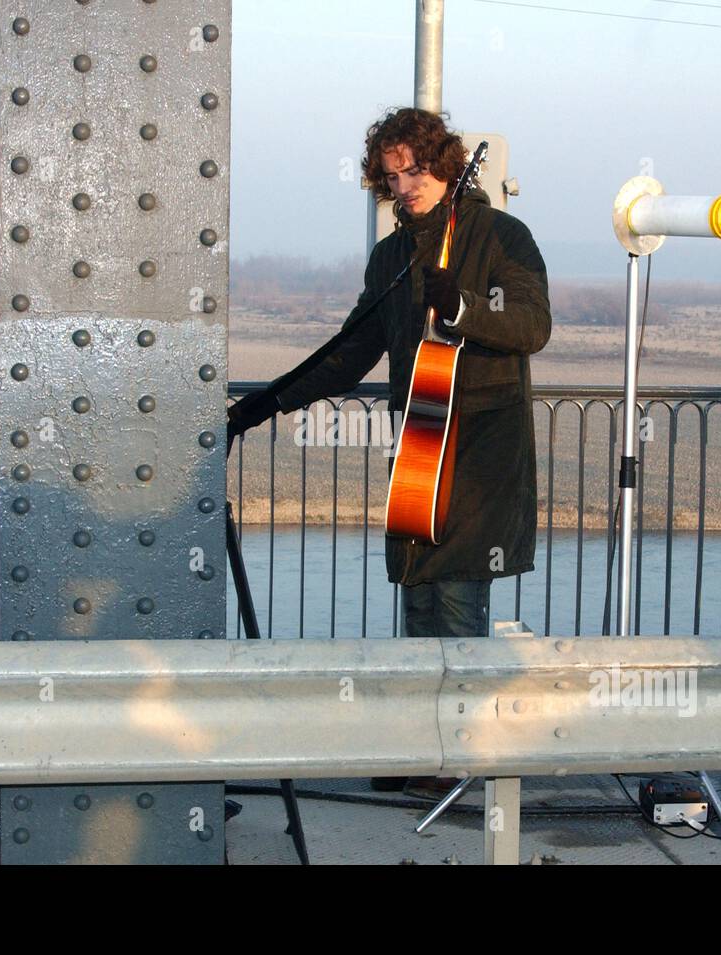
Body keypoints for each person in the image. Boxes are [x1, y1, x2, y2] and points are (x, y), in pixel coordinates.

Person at [228, 109, 551, 791]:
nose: (407, 185)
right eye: (394, 175)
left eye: (418, 169)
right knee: (417, 600)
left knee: (461, 603)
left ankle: (458, 755)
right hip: (420, 441)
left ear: (447, 162)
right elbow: (348, 354)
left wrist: (461, 306)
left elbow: (533, 325)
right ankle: (417, 747)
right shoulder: (394, 257)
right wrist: (266, 403)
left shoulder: (501, 236)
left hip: (482, 452)